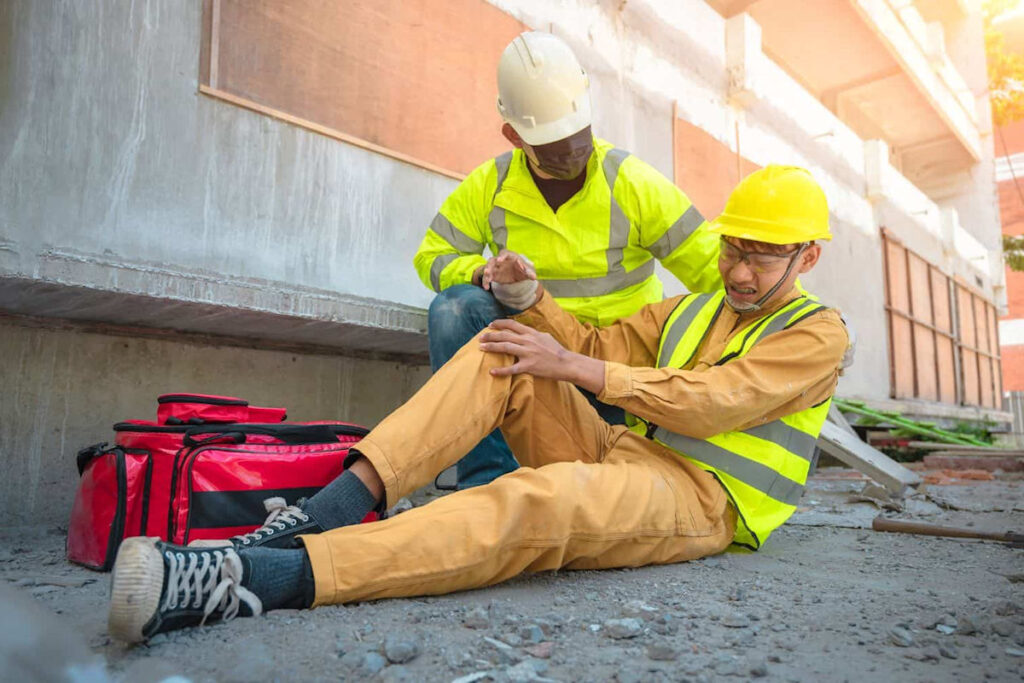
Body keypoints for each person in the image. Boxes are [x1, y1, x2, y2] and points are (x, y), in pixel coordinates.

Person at [106, 165, 848, 644]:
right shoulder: (696, 308)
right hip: (627, 453)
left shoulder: (816, 335)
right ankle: (321, 512)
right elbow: (594, 341)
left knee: (538, 500)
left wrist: (582, 368)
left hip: (702, 499)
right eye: (732, 249)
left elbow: (717, 401)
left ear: (807, 257)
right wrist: (531, 301)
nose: (739, 271)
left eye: (761, 257)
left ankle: (252, 580)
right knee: (505, 350)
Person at [414, 31, 722, 488]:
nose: (575, 153)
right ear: (515, 136)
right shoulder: (490, 185)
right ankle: (486, 482)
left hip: (610, 369)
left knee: (600, 484)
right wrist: (480, 273)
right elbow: (432, 256)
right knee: (455, 308)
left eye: (580, 138)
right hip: (533, 361)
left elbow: (717, 267)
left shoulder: (633, 183)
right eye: (556, 147)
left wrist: (789, 320)